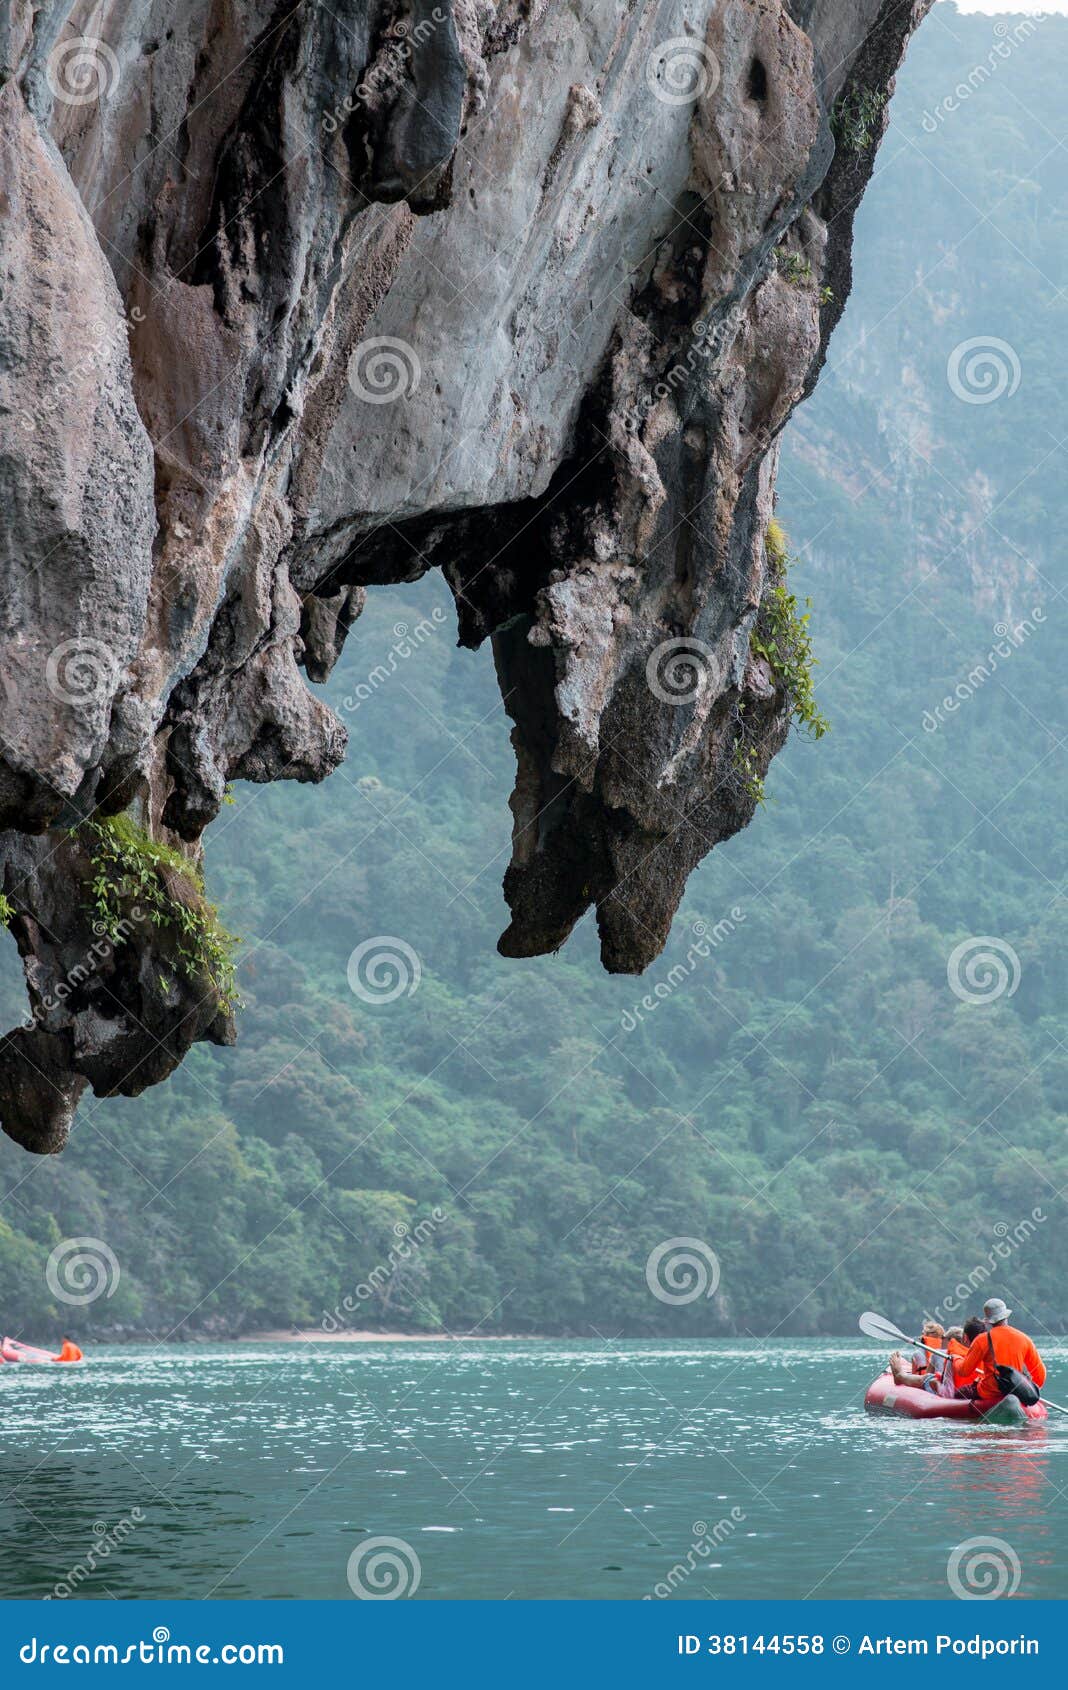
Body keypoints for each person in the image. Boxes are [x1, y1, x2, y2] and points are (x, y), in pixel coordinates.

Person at [952, 1298, 1045, 1408]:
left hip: (988, 1392)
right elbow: (1040, 1376)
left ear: (988, 1320)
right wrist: (1027, 1389)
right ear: (1006, 1316)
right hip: (1015, 1390)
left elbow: (964, 1371)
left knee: (958, 1393)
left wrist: (955, 1358)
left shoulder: (982, 1340)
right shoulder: (1024, 1339)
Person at [889, 1320, 945, 1388]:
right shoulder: (946, 1353)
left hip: (923, 1382)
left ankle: (899, 1376)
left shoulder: (917, 1354)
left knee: (909, 1376)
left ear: (923, 1336)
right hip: (938, 1381)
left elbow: (914, 1373)